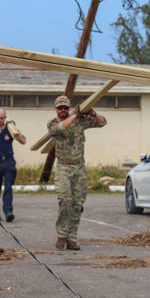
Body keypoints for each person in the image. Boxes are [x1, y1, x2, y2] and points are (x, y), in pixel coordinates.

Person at [47, 95, 107, 251]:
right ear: (55, 109)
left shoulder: (80, 121)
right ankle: (61, 235)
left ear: (68, 108)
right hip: (63, 168)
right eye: (60, 107)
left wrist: (93, 113)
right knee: (64, 201)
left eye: (65, 107)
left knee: (77, 204)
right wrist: (75, 114)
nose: (62, 110)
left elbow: (103, 123)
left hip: (79, 168)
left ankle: (72, 238)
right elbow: (61, 128)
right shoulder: (53, 123)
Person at [0, 108, 26, 222]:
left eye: (1, 118)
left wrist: (15, 129)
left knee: (8, 187)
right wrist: (1, 129)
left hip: (8, 161)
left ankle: (8, 211)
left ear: (5, 117)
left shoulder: (9, 129)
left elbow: (23, 141)